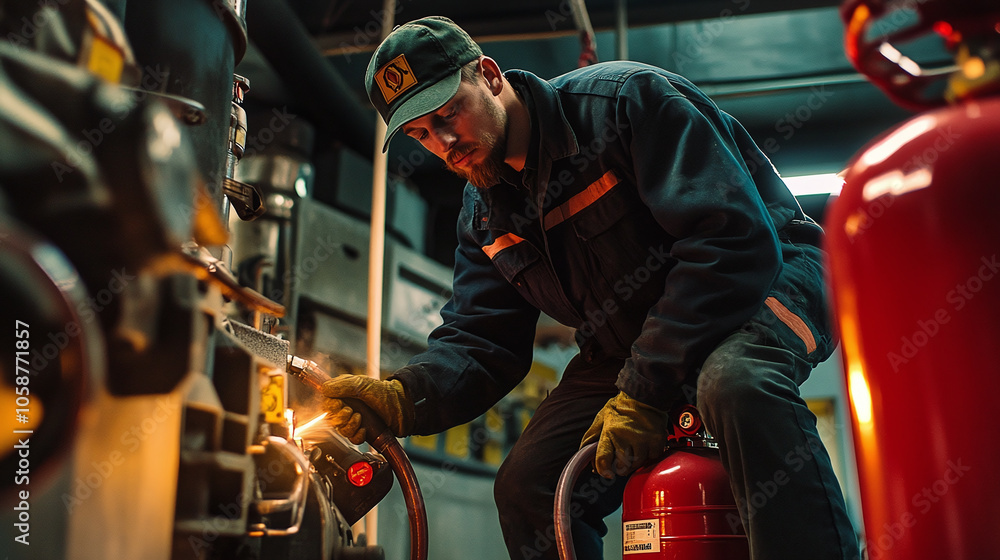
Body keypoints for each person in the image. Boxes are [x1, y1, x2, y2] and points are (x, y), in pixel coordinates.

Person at [322, 15, 860, 560]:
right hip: (633, 342)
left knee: (736, 382)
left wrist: (645, 389)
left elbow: (728, 240)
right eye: (420, 134)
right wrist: (404, 398)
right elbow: (481, 342)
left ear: (487, 74)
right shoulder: (482, 215)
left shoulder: (625, 104)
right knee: (529, 485)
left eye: (447, 114)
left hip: (767, 279)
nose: (444, 143)